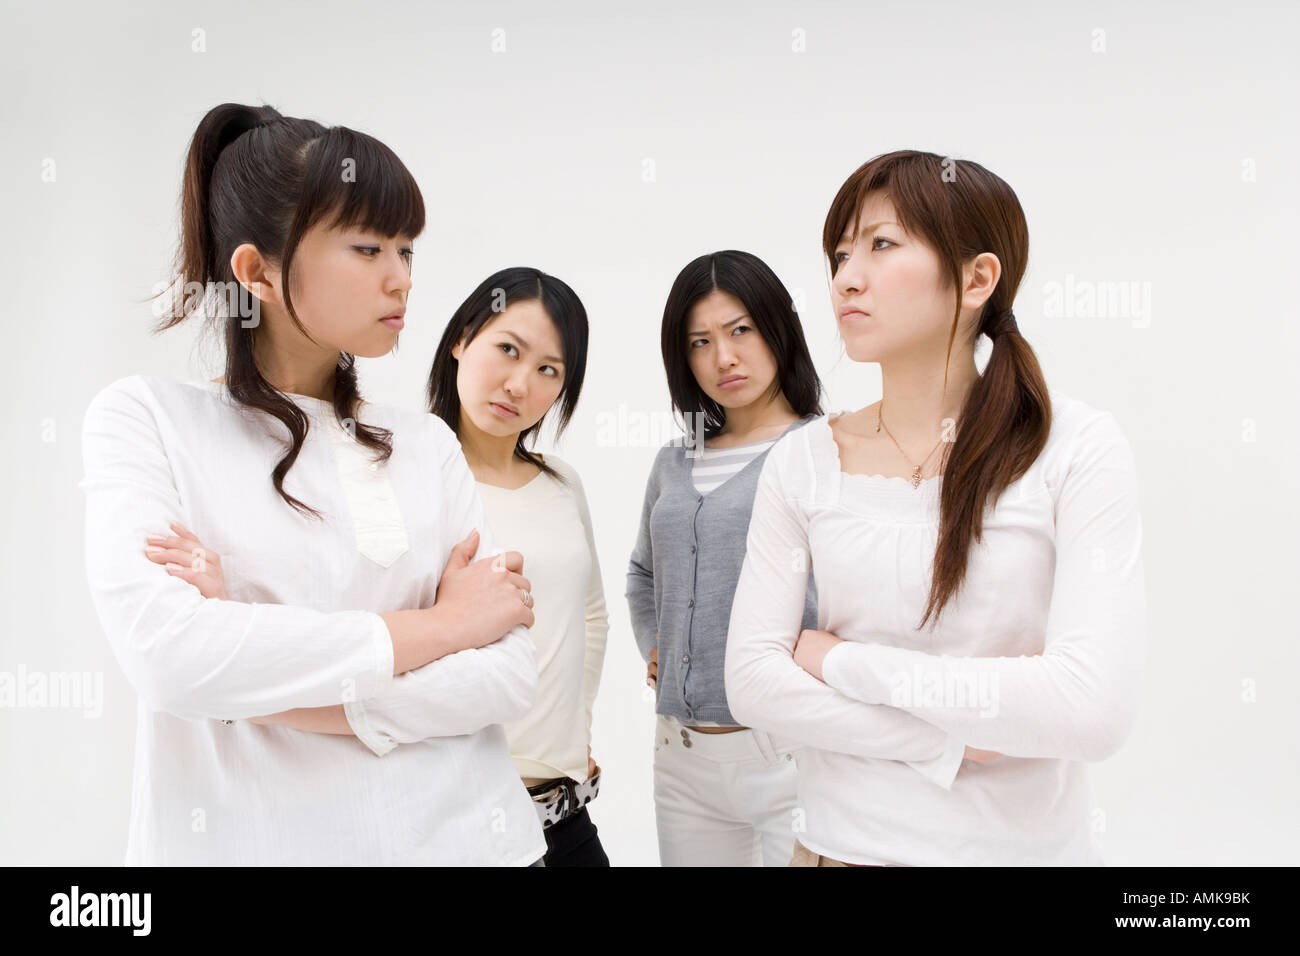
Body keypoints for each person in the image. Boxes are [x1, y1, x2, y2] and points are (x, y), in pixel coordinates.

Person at [82, 102, 546, 865]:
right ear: (255, 270)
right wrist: (444, 629)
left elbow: (505, 677)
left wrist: (254, 664)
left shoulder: (426, 443)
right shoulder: (148, 420)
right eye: (368, 248)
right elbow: (173, 659)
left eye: (406, 249)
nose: (400, 278)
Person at [725, 149, 1147, 866]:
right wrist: (949, 738)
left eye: (881, 245)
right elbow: (753, 684)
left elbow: (1090, 708)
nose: (845, 278)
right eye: (839, 253)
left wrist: (845, 663)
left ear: (978, 277)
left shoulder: (1076, 448)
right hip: (831, 854)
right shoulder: (803, 460)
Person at [626, 250, 825, 866]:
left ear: (777, 329)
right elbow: (643, 572)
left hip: (792, 753)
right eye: (700, 342)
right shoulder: (675, 460)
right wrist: (661, 646)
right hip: (683, 760)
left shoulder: (825, 451)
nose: (724, 358)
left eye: (740, 330)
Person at [423, 267, 611, 865]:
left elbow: (592, 613)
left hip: (562, 807)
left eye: (547, 370)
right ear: (461, 340)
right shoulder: (413, 477)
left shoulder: (561, 482)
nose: (518, 384)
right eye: (508, 349)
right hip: (458, 813)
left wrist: (574, 733)